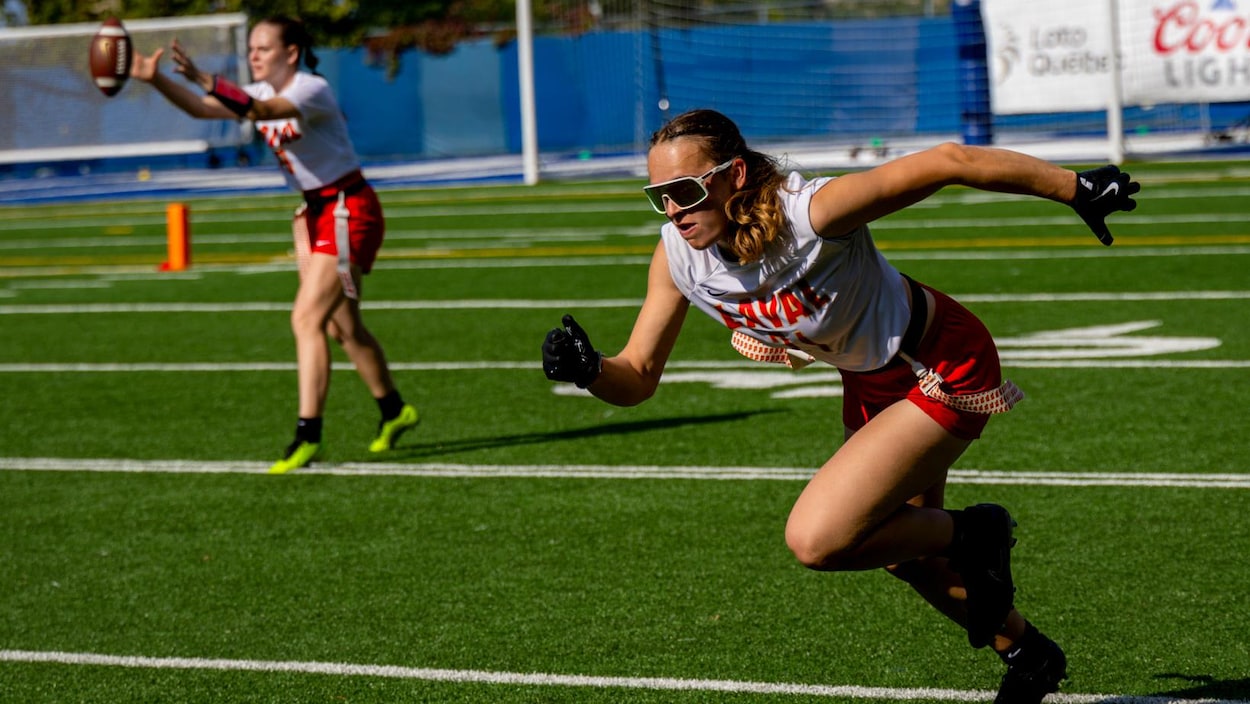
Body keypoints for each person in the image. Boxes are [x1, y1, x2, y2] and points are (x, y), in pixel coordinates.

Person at [543, 109, 1140, 702]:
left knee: (817, 538)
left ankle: (975, 532)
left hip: (936, 360)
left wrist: (1075, 188)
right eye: (660, 197)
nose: (674, 209)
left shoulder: (812, 214)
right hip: (870, 381)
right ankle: (1028, 653)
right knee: (901, 552)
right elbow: (638, 377)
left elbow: (948, 161)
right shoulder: (677, 256)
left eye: (686, 190)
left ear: (736, 175)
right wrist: (590, 370)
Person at [131, 16, 420, 473]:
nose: (254, 56)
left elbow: (262, 112)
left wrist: (205, 77)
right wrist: (156, 80)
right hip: (315, 212)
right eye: (251, 49)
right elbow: (202, 109)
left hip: (347, 208)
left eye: (263, 48)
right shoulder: (258, 91)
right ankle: (394, 409)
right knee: (341, 328)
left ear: (291, 53)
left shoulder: (310, 89)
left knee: (305, 318)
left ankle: (308, 434)